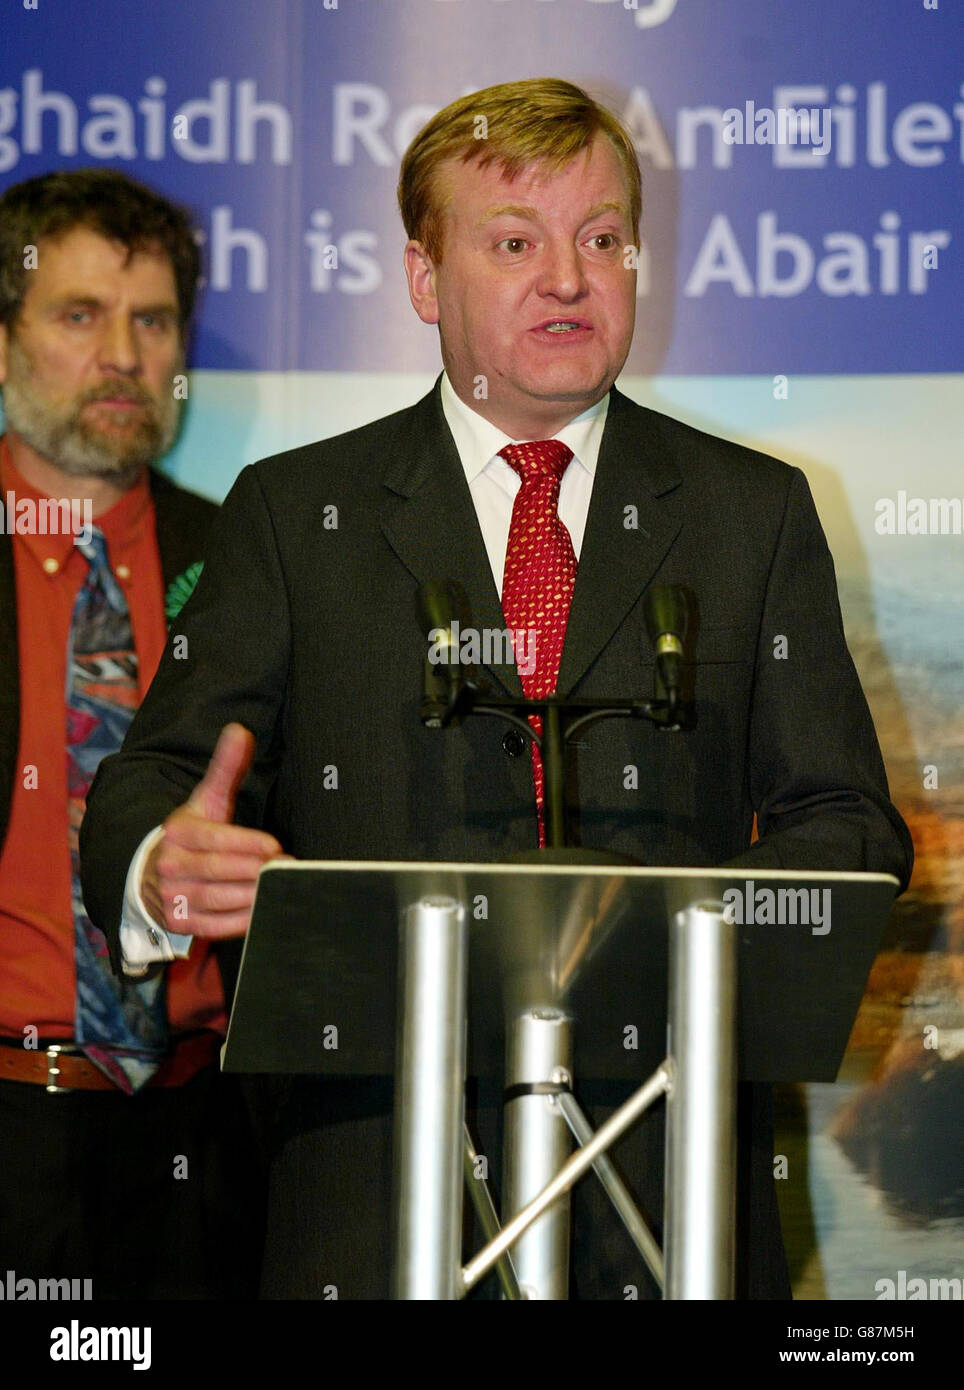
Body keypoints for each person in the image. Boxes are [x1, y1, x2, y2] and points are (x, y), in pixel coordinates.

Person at [81, 80, 913, 1299]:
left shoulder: (751, 515)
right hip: (370, 1193)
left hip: (667, 1195)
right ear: (425, 280)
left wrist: (721, 926)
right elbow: (150, 777)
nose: (570, 279)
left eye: (602, 238)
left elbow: (845, 821)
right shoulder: (298, 515)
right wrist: (162, 859)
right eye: (515, 242)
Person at [0, 168, 263, 1299]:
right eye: (78, 314)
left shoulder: (257, 564)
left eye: (151, 320)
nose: (122, 353)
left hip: (204, 1142)